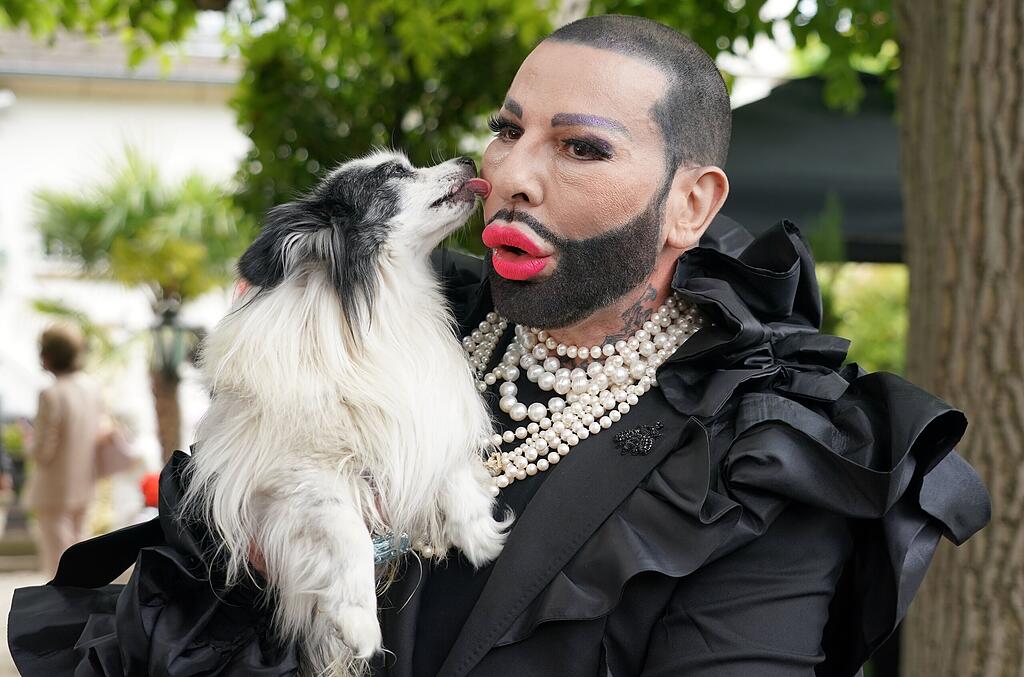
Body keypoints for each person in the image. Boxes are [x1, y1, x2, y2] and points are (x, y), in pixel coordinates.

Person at [8, 15, 991, 677]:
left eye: (580, 145)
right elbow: (164, 617)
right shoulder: (372, 336)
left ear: (690, 202)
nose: (509, 174)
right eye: (506, 130)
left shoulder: (758, 460)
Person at [23, 323, 104, 577]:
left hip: (53, 491)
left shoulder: (51, 394)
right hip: (84, 484)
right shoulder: (91, 388)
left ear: (48, 356)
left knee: (57, 564)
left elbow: (43, 451)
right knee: (81, 558)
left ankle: (61, 616)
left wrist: (27, 442)